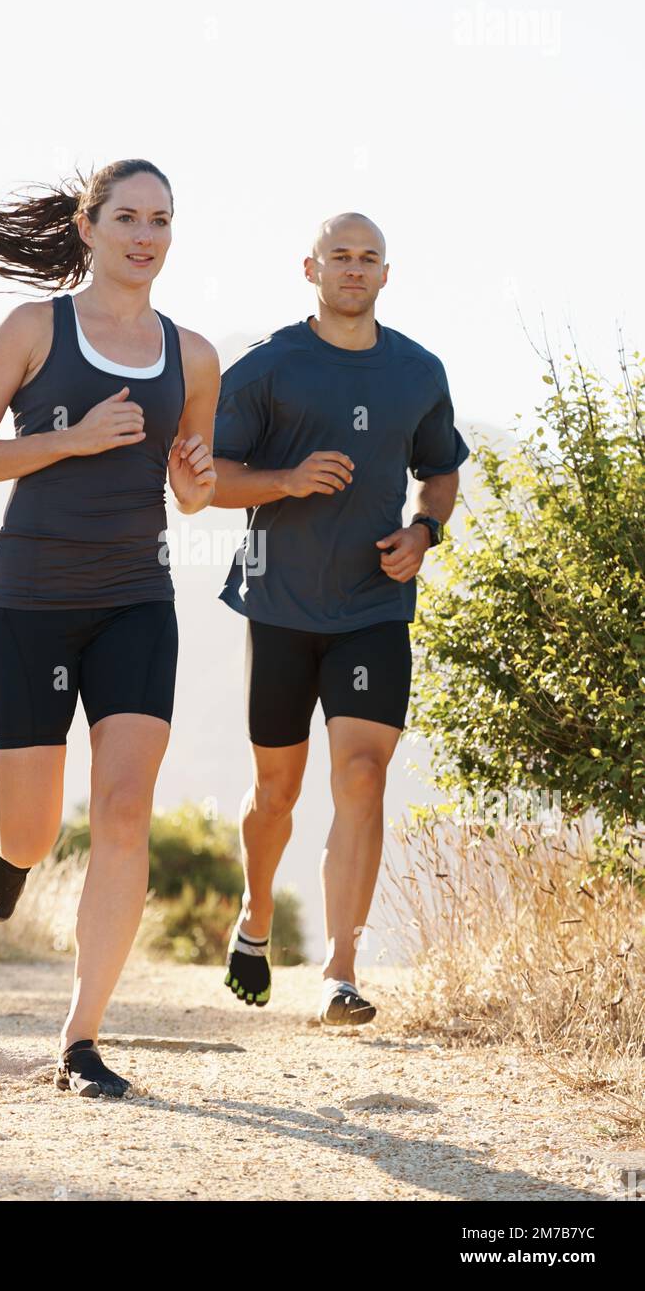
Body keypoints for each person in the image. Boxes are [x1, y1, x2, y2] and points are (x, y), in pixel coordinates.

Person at [0, 160, 220, 1095]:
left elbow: (190, 489)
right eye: (129, 217)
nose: (147, 236)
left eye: (162, 221)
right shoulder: (33, 328)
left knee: (124, 810)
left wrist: (192, 480)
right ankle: (14, 854)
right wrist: (69, 436)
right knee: (32, 827)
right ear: (88, 225)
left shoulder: (193, 357)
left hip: (136, 600)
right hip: (28, 601)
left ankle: (80, 1039)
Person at [211, 212, 469, 1024]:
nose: (353, 270)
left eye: (368, 259)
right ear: (310, 268)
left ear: (385, 275)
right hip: (280, 602)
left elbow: (440, 471)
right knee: (275, 792)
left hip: (372, 605)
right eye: (339, 257)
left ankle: (340, 969)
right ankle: (254, 919)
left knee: (361, 775)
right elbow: (208, 479)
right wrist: (285, 481)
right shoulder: (268, 367)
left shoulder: (417, 371)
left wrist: (424, 531)